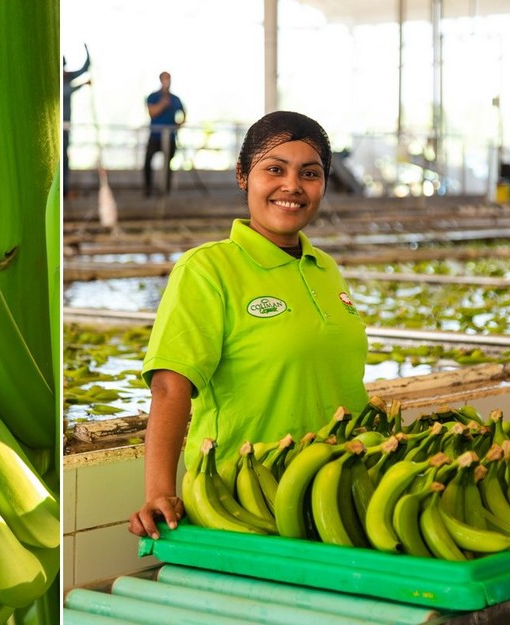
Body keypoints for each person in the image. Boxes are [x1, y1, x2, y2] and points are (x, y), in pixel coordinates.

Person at [128, 111, 370, 540]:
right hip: (243, 503)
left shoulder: (326, 269)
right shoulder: (207, 269)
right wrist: (158, 492)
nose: (292, 186)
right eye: (274, 169)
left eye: (309, 173)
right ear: (243, 176)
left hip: (333, 499)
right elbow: (170, 385)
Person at [143, 72, 185, 197]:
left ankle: (165, 190)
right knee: (147, 162)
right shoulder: (153, 97)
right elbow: (152, 112)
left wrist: (178, 125)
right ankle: (148, 188)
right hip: (155, 136)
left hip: (170, 137)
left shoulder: (176, 99)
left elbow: (183, 114)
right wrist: (163, 104)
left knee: (167, 165)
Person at [63, 48, 91, 198]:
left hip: (66, 126)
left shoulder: (68, 77)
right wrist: (83, 84)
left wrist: (86, 49)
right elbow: (66, 92)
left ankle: (65, 188)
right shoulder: (60, 83)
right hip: (59, 126)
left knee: (66, 158)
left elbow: (85, 68)